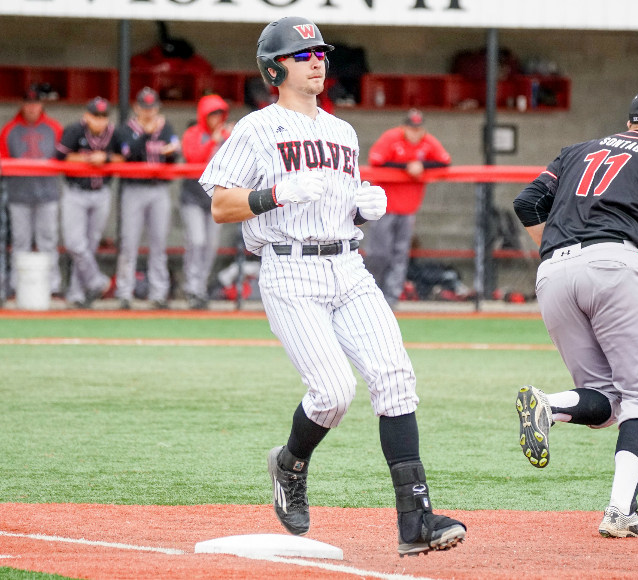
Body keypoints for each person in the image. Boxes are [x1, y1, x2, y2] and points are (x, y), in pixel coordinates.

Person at [200, 16, 466, 557]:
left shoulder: (342, 131)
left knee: (395, 376)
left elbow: (339, 205)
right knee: (333, 393)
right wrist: (275, 192)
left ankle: (416, 522)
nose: (317, 60)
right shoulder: (256, 128)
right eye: (303, 55)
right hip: (290, 270)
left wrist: (363, 210)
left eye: (320, 51)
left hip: (348, 265)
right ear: (276, 68)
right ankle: (290, 463)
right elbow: (220, 205)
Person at [512, 86, 638, 538]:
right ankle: (619, 511)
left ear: (629, 123)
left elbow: (526, 203)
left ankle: (549, 405)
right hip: (615, 264)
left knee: (607, 401)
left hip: (553, 272)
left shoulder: (578, 150)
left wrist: (554, 251)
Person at [366, 108, 451, 307]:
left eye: (418, 128)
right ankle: (370, 296)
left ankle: (390, 300)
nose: (415, 132)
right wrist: (407, 166)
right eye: (412, 128)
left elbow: (445, 162)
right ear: (404, 127)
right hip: (383, 208)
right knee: (379, 255)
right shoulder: (391, 137)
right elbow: (375, 161)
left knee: (400, 256)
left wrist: (421, 165)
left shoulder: (427, 141)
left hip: (407, 209)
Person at [113, 87, 180, 309]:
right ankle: (124, 293)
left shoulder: (166, 127)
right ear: (136, 107)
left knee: (159, 243)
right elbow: (128, 153)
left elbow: (175, 155)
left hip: (159, 189)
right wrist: (145, 133)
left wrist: (171, 151)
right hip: (134, 189)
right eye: (144, 107)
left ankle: (159, 293)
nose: (149, 112)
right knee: (129, 243)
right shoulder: (126, 129)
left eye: (152, 108)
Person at [0, 85, 64, 296]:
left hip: (47, 194)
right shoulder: (9, 129)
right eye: (28, 103)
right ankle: (17, 286)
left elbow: (64, 157)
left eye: (35, 103)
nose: (32, 107)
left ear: (41, 105)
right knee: (20, 242)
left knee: (48, 241)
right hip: (19, 195)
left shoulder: (54, 128)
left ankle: (52, 287)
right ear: (22, 105)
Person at [55, 97, 122, 309]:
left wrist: (106, 158)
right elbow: (59, 157)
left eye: (103, 116)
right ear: (87, 115)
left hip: (101, 192)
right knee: (76, 244)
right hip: (76, 192)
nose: (100, 121)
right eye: (96, 116)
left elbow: (126, 157)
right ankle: (96, 282)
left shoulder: (113, 133)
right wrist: (87, 159)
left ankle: (77, 294)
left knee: (90, 246)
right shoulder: (75, 130)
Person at [180, 94, 231, 310]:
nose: (216, 118)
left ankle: (200, 289)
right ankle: (191, 287)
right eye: (212, 114)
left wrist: (228, 137)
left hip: (215, 199)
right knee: (197, 241)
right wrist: (214, 140)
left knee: (210, 246)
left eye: (219, 113)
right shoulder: (193, 133)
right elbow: (194, 158)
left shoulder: (227, 136)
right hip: (192, 197)